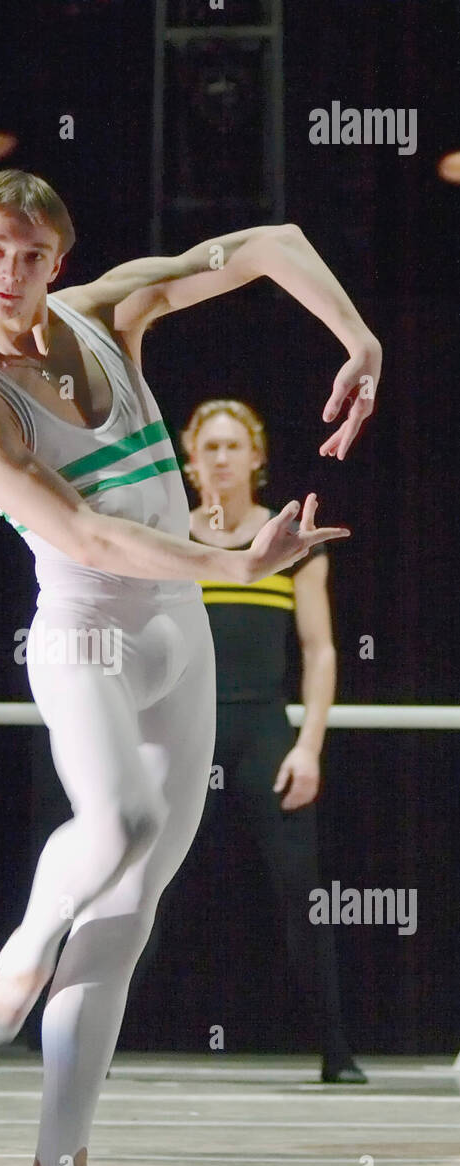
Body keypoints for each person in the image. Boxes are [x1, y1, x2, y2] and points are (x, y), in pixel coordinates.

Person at [0, 169, 380, 1166]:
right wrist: (227, 555)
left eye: (31, 253)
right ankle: (28, 940)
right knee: (117, 819)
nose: (10, 270)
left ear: (58, 261)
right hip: (83, 634)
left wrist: (357, 341)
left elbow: (270, 237)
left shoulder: (103, 313)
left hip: (174, 632)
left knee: (129, 911)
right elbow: (82, 537)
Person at [181, 399, 366, 1083]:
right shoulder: (169, 538)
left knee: (300, 891)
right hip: (185, 731)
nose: (221, 457)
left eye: (234, 446)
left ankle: (335, 1050)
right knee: (143, 891)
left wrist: (308, 745)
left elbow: (319, 651)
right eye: (210, 447)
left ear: (256, 457)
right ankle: (91, 1048)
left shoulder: (289, 540)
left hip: (262, 729)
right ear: (189, 458)